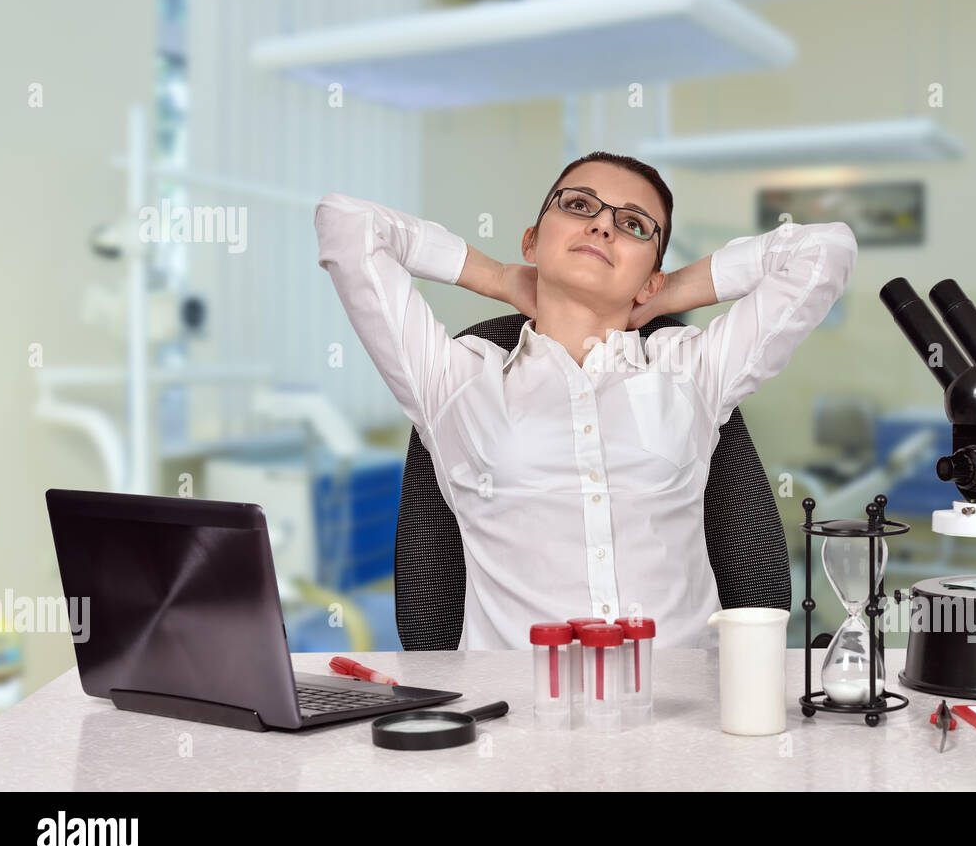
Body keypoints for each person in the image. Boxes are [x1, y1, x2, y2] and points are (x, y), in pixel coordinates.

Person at [314, 150, 857, 649]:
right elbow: (348, 225)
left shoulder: (690, 368)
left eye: (633, 225)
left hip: (687, 710)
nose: (601, 224)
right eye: (578, 205)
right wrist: (499, 277)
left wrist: (666, 293)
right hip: (517, 714)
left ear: (651, 276)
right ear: (532, 240)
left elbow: (824, 252)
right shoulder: (456, 379)